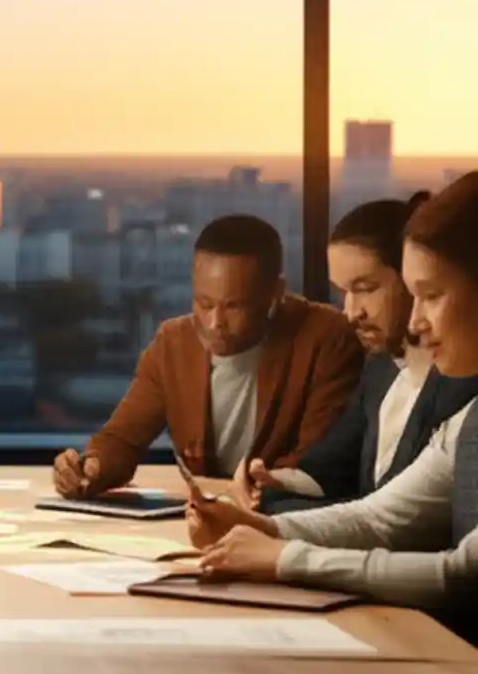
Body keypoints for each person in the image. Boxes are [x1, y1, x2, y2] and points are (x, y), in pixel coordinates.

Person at [188, 172, 478, 641]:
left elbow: (463, 576)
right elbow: (379, 517)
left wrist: (286, 558)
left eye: (431, 296)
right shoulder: (470, 418)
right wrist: (262, 527)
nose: (416, 321)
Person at [53, 214, 363, 498]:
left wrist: (257, 492)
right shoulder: (173, 344)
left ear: (276, 293)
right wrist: (91, 468)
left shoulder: (326, 337)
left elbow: (316, 464)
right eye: (204, 303)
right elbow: (123, 438)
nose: (215, 323)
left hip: (286, 517)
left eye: (234, 306)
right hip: (205, 515)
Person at [249, 195, 478, 512]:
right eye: (342, 292)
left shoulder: (463, 383)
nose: (351, 312)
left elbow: (389, 519)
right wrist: (267, 484)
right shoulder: (379, 367)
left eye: (366, 289)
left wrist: (266, 516)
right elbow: (330, 465)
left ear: (409, 278)